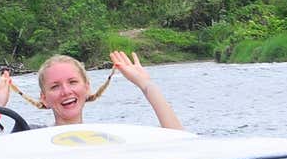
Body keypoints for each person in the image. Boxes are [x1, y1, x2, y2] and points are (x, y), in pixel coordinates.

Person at [9, 50, 183, 129]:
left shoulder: (107, 135)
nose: (66, 91)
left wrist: (146, 85)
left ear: (87, 87)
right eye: (55, 86)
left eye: (73, 82)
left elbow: (179, 142)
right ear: (44, 98)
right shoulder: (27, 134)